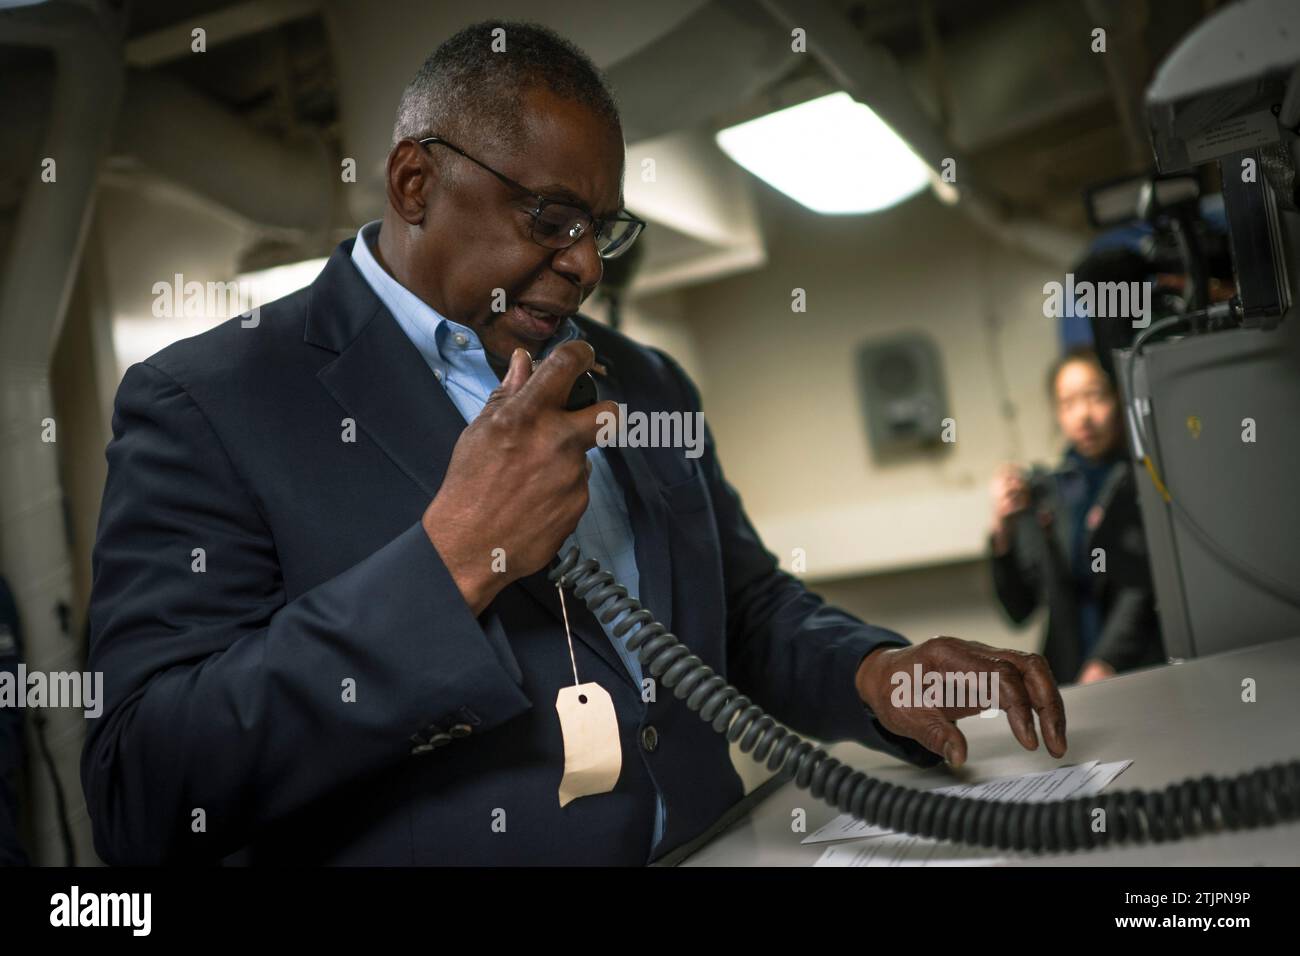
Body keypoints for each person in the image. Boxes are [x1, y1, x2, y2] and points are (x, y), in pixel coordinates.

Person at [83, 20, 1066, 866]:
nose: (587, 263)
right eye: (550, 218)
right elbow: (142, 786)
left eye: (603, 228)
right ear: (416, 181)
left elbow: (743, 606)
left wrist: (869, 675)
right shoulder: (211, 401)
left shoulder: (638, 379)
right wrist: (451, 561)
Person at [989, 347, 1164, 686]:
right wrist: (1002, 533)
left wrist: (1106, 662)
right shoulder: (1050, 494)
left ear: (1118, 397)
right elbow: (1019, 609)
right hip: (1069, 671)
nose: (1083, 415)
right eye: (1068, 403)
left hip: (1139, 664)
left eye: (1095, 397)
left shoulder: (1143, 476)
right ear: (1057, 414)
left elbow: (1140, 586)